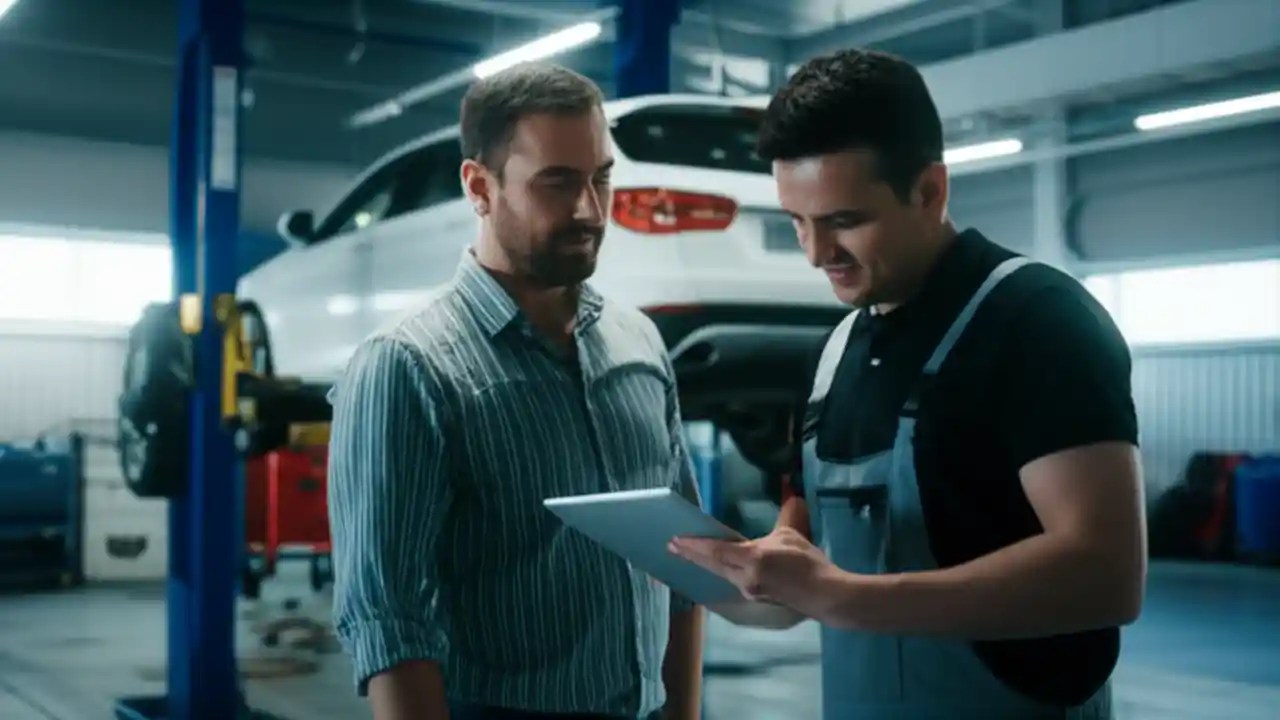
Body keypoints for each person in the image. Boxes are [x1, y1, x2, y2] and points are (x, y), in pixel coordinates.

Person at [669, 48, 1147, 720]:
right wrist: (720, 571)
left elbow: (1107, 576)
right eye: (798, 222)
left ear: (930, 191)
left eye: (844, 221)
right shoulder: (831, 357)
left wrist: (844, 598)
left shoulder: (1038, 322)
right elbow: (794, 580)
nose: (816, 254)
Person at [327, 62, 704, 720]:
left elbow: (685, 564)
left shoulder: (639, 342)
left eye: (601, 178)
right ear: (479, 186)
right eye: (556, 183)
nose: (589, 210)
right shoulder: (406, 367)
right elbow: (390, 622)